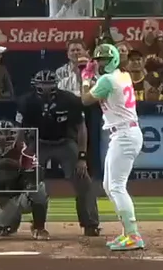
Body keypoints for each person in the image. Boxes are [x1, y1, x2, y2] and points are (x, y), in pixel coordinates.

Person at [15, 69, 101, 237]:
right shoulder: (26, 102)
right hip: (39, 142)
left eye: (49, 84)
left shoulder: (69, 100)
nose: (46, 88)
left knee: (84, 181)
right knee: (30, 182)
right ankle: (33, 224)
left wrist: (82, 157)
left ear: (56, 85)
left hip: (64, 142)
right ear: (35, 85)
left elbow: (82, 129)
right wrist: (22, 154)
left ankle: (91, 223)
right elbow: (19, 131)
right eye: (42, 84)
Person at [78, 44, 144, 252]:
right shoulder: (123, 75)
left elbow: (85, 99)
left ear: (113, 59)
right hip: (123, 133)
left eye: (104, 60)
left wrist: (86, 78)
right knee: (109, 185)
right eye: (99, 60)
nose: (101, 63)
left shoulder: (108, 80)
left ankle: (133, 235)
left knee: (116, 186)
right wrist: (93, 76)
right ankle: (127, 232)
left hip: (125, 134)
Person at [0, 120, 50, 240]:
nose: (3, 138)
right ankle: (9, 223)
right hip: (3, 199)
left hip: (23, 196)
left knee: (39, 188)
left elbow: (37, 173)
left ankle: (39, 227)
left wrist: (22, 176)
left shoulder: (23, 151)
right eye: (0, 134)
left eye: (7, 134)